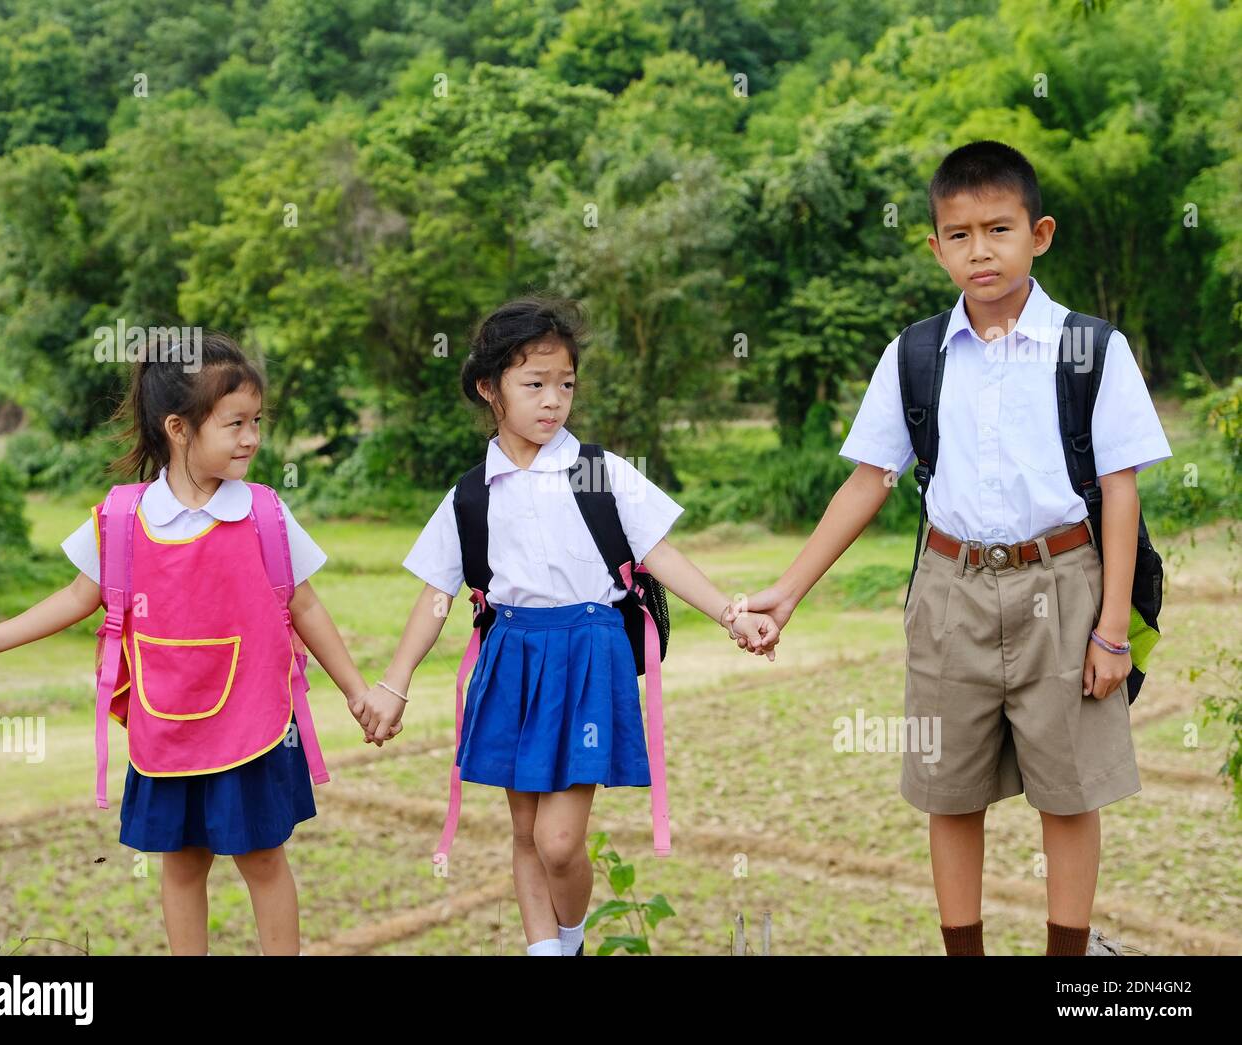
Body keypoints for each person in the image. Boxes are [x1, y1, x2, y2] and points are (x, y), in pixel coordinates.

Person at [727, 141, 1171, 956]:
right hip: (949, 588)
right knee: (949, 790)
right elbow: (869, 481)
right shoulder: (916, 355)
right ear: (936, 247)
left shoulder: (1091, 348)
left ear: (1038, 234)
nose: (980, 250)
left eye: (998, 229)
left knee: (1069, 797)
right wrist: (785, 593)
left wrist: (1113, 629)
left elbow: (1121, 492)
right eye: (958, 234)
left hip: (1066, 588)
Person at [0, 332, 402, 955]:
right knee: (183, 864)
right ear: (179, 428)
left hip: (254, 722)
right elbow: (80, 597)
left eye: (256, 421)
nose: (252, 438)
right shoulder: (124, 518)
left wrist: (357, 691)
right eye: (235, 423)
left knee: (263, 859)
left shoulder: (266, 514)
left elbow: (305, 603)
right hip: (168, 723)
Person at [365, 295, 778, 956]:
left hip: (588, 654)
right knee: (526, 831)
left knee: (560, 842)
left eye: (565, 384)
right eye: (534, 384)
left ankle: (572, 938)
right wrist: (395, 680)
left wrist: (733, 614)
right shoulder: (473, 493)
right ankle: (544, 949)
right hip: (512, 657)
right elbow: (438, 594)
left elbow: (660, 553)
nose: (553, 400)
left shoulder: (597, 470)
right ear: (487, 388)